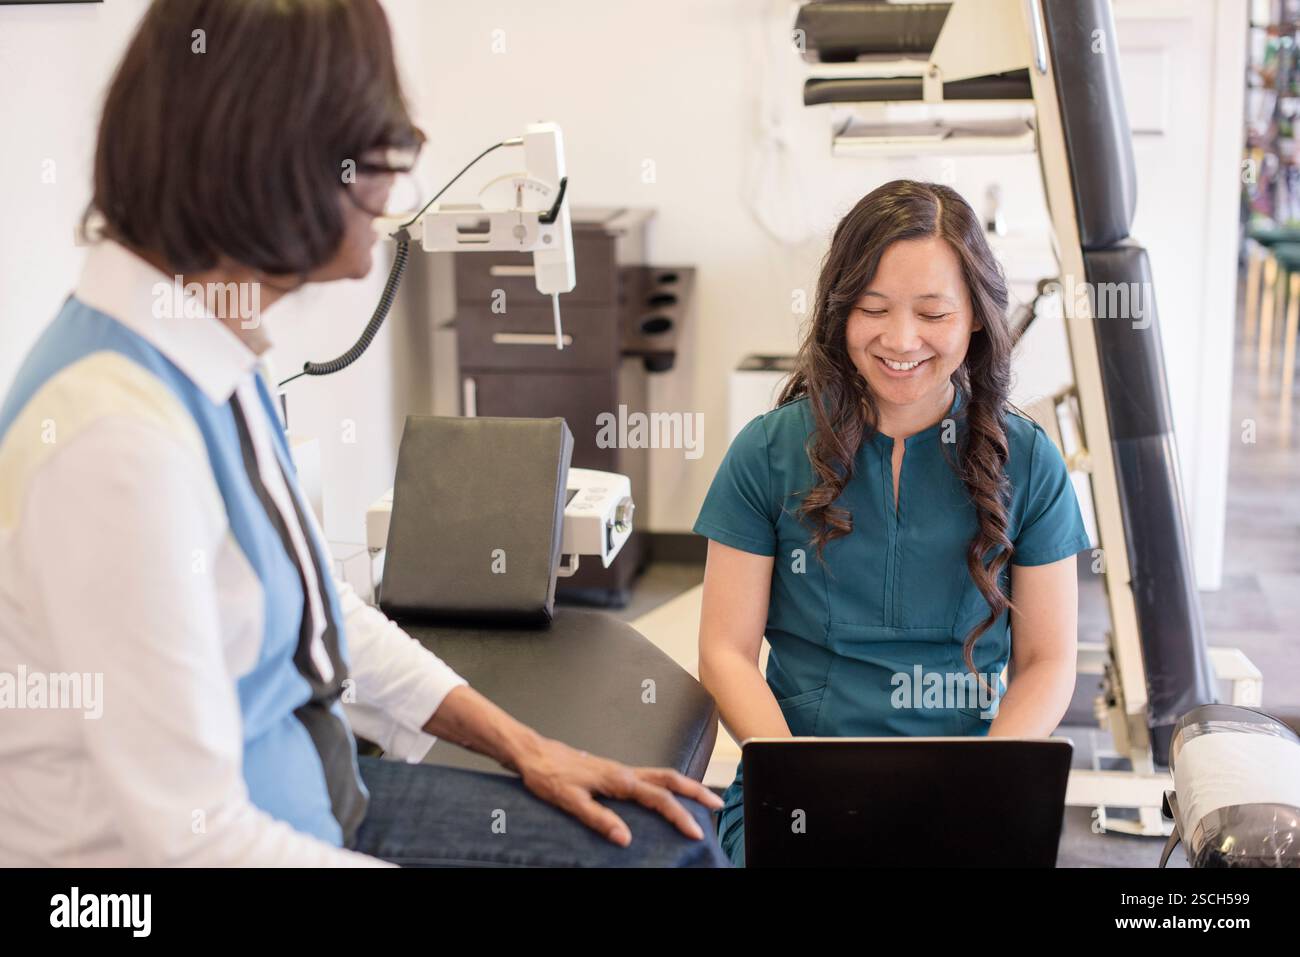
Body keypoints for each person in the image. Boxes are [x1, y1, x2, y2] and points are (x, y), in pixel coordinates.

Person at [0, 0, 725, 867]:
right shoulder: (116, 439)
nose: (390, 184)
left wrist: (525, 744)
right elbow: (194, 843)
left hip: (322, 795)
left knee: (667, 845)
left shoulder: (208, 347)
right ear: (274, 158)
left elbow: (323, 612)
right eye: (372, 145)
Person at [694, 180, 1090, 866]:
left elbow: (1048, 661)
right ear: (841, 312)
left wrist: (984, 783)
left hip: (968, 787)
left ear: (974, 317)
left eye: (932, 312)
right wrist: (797, 781)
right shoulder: (766, 453)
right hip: (797, 786)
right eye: (873, 309)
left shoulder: (1030, 463)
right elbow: (725, 651)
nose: (901, 339)